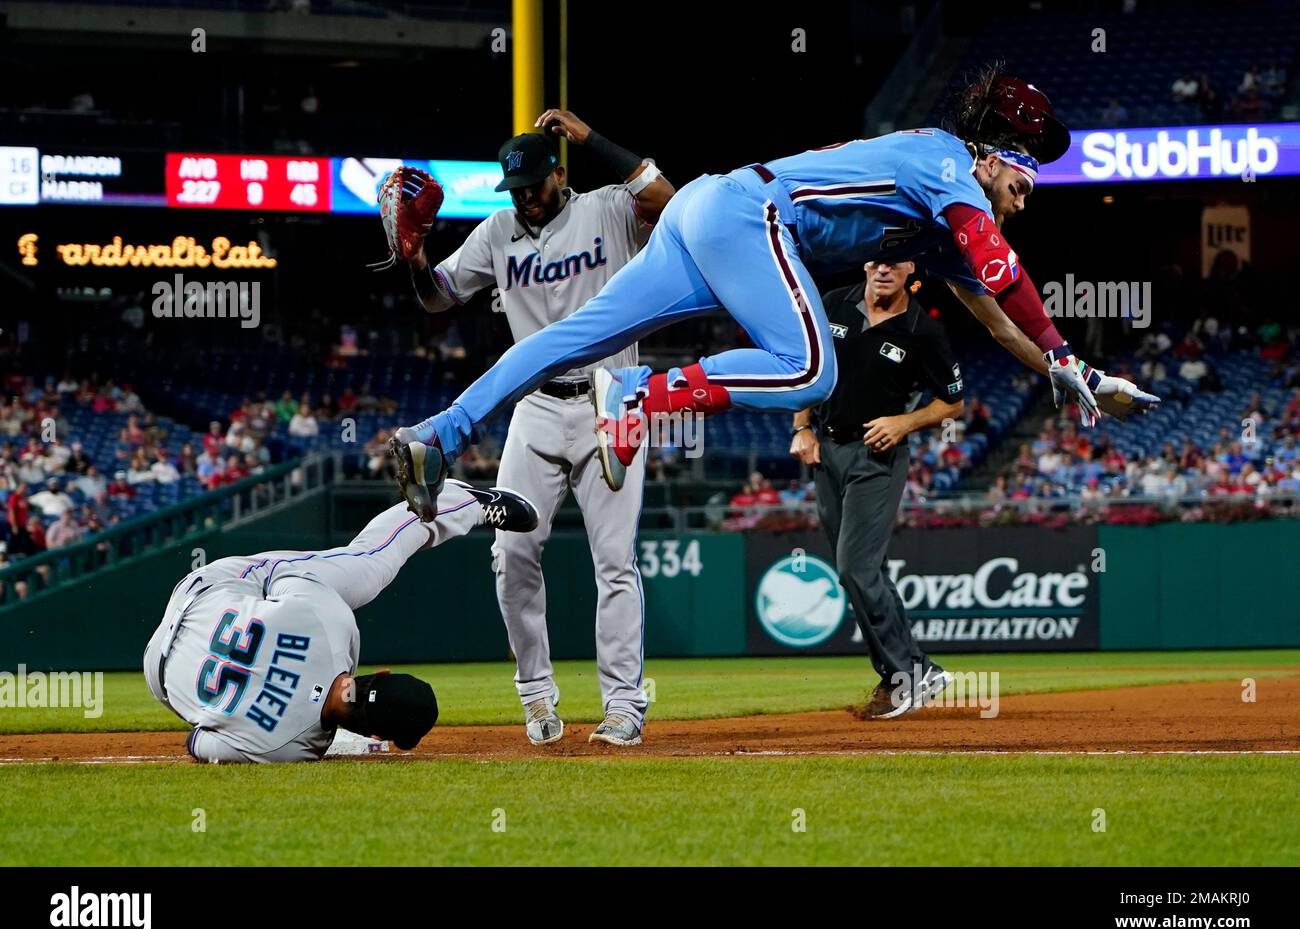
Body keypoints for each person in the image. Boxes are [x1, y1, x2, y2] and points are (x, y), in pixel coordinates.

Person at [389, 70, 1154, 518]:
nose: (1031, 187)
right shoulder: (949, 164)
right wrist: (1070, 359)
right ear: (996, 154)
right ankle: (634, 394)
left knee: (568, 337)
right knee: (811, 371)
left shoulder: (941, 220)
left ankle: (438, 434)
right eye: (1027, 170)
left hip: (709, 212)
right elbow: (1005, 275)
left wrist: (1068, 374)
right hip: (747, 217)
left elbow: (997, 319)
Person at [383, 111, 674, 747]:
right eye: (513, 189)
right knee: (511, 553)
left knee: (614, 563)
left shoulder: (605, 209)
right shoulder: (497, 232)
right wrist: (416, 259)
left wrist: (591, 135)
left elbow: (663, 195)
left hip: (614, 397)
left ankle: (625, 705)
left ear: (559, 175)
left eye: (533, 186)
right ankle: (537, 696)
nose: (522, 198)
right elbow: (438, 297)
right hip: (536, 407)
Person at [142, 480, 539, 764]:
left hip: (204, 589)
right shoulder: (290, 749)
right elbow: (197, 742)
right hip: (159, 673)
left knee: (367, 565)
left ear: (381, 672)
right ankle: (456, 500)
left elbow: (282, 577)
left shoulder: (334, 625)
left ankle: (457, 500)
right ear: (375, 736)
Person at [790, 260, 961, 717]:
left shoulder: (921, 330)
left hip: (877, 456)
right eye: (876, 260)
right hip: (827, 452)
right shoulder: (833, 305)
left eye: (895, 262)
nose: (883, 269)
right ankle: (901, 675)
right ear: (866, 264)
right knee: (865, 573)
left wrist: (906, 422)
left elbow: (953, 401)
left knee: (855, 568)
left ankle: (911, 672)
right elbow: (807, 368)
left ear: (910, 269)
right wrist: (801, 427)